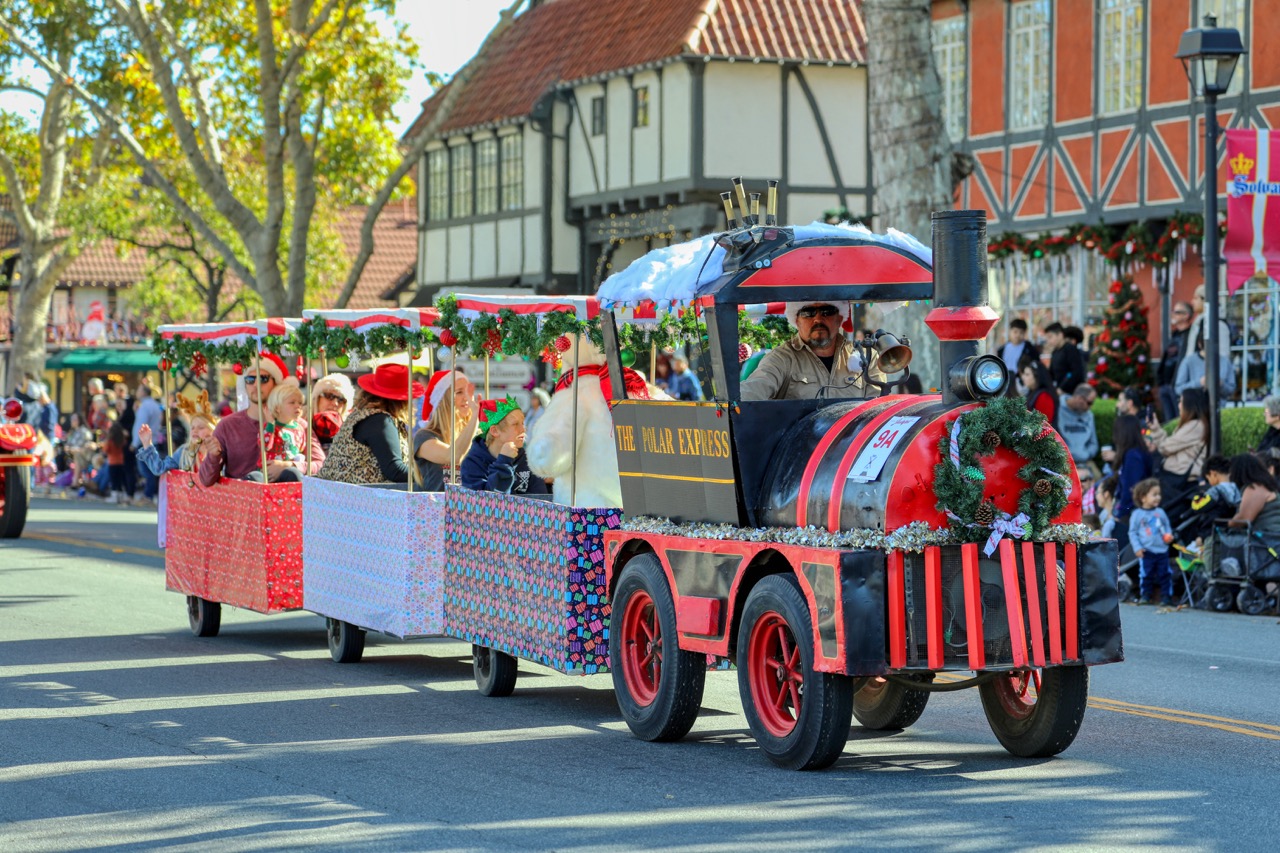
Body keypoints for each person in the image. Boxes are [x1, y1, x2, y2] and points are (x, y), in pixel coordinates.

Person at [199, 351, 321, 485]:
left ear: (276, 384)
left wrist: (289, 465)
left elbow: (321, 465)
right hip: (244, 501)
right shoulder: (228, 425)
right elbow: (206, 480)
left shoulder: (299, 425)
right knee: (255, 479)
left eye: (263, 378)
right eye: (250, 379)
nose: (256, 384)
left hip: (286, 502)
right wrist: (213, 456)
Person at [741, 301, 888, 401]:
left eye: (827, 311)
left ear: (839, 319)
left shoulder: (867, 358)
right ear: (796, 320)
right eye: (808, 312)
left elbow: (878, 410)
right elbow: (754, 390)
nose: (817, 319)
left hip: (852, 445)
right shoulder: (782, 359)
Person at [317, 363, 423, 485]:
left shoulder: (363, 414)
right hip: (356, 498)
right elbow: (395, 470)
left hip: (336, 493)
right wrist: (429, 474)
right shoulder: (380, 420)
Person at [460, 395, 548, 495]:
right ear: (495, 430)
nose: (523, 429)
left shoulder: (527, 459)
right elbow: (488, 503)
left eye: (523, 423)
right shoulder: (473, 463)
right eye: (515, 424)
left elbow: (540, 501)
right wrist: (504, 462)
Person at [414, 369, 478, 490]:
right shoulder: (424, 436)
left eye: (468, 391)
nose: (467, 398)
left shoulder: (475, 434)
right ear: (443, 400)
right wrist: (475, 416)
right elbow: (452, 457)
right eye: (459, 392)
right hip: (437, 507)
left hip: (469, 507)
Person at [249, 379, 322, 482]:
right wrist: (270, 426)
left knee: (294, 474)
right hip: (267, 472)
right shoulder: (270, 426)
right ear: (278, 408)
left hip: (287, 471)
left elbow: (300, 448)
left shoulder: (300, 428)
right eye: (292, 402)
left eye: (300, 403)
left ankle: (293, 496)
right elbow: (265, 445)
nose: (298, 406)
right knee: (253, 477)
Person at [138, 393, 219, 475]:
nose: (195, 431)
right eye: (192, 428)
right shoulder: (183, 452)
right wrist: (147, 444)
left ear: (212, 431)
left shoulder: (221, 452)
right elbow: (160, 468)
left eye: (201, 427)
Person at [1146, 388, 1209, 493]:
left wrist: (1156, 431)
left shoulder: (1195, 426)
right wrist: (1156, 429)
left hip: (1183, 482)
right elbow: (1168, 445)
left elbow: (1165, 448)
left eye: (1181, 401)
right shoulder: (1193, 425)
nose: (1179, 405)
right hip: (1178, 479)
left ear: (1189, 405)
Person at [1128, 477, 1174, 606]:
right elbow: (1132, 532)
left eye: (1159, 494)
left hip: (1162, 549)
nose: (1158, 497)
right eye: (1154, 495)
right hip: (1146, 550)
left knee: (1165, 574)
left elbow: (1167, 526)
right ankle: (1146, 595)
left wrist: (1168, 535)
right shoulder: (1137, 514)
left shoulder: (1160, 512)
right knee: (1146, 574)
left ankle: (1166, 596)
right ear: (1143, 497)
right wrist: (1137, 548)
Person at [1111, 414, 1153, 545]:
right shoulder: (1135, 453)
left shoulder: (1132, 456)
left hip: (1131, 514)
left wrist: (1120, 514)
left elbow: (1131, 489)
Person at [1157, 301, 1194, 420]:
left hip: (1178, 385)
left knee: (1179, 419)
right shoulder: (1174, 335)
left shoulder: (1191, 335)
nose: (1173, 315)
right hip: (1165, 384)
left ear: (1186, 315)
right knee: (1168, 421)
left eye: (1177, 312)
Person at [1057, 384, 1098, 474]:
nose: (1090, 407)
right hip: (1063, 462)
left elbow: (1093, 443)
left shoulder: (1089, 415)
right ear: (1080, 399)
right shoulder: (1057, 408)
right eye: (1089, 403)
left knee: (1099, 482)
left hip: (1085, 462)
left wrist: (1086, 454)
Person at [309, 373, 354, 453]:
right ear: (317, 398)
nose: (335, 403)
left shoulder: (351, 431)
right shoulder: (301, 425)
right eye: (330, 396)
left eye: (341, 400)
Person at [1045, 321, 1086, 394]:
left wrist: (1062, 388)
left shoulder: (1070, 349)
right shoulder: (1055, 352)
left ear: (1060, 335)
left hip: (1073, 393)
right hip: (1059, 391)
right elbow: (1051, 373)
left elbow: (1075, 372)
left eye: (1050, 337)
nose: (1048, 341)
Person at [997, 318, 1040, 383]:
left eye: (1021, 332)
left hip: (1022, 382)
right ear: (1010, 331)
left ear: (1025, 333)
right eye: (1015, 331)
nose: (1018, 335)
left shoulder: (1031, 350)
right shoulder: (1001, 350)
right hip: (1004, 381)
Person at [1020, 360, 1058, 428]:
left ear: (1037, 376)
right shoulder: (1033, 393)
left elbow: (1044, 424)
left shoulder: (1044, 396)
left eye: (1027, 374)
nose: (1023, 377)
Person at [102, 421, 131, 504]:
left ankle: (114, 496)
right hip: (120, 461)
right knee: (120, 480)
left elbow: (106, 450)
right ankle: (121, 496)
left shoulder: (110, 441)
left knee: (113, 480)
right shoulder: (121, 440)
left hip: (112, 462)